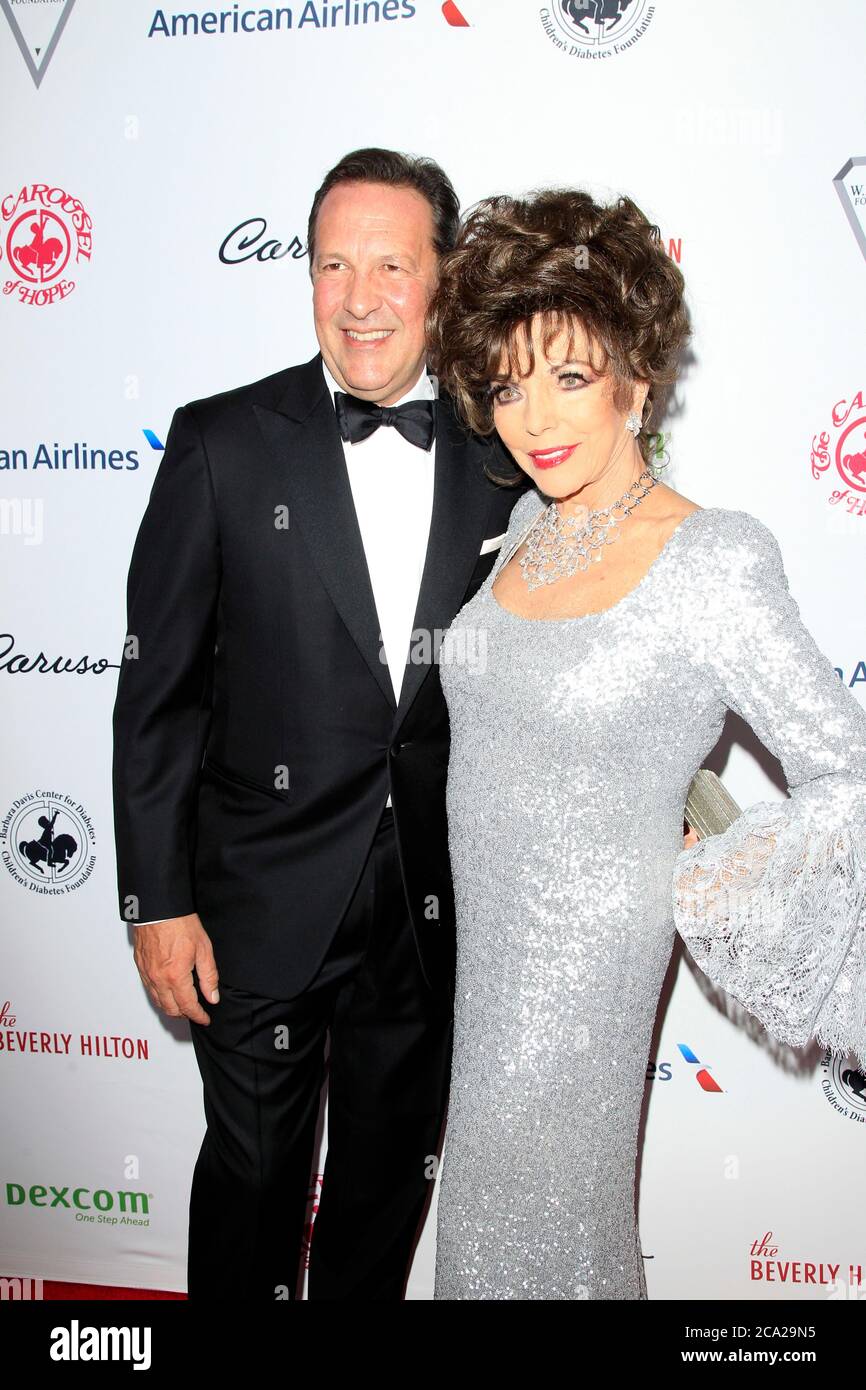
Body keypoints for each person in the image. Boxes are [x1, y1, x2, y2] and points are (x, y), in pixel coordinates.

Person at [424, 188, 866, 1300]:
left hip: (590, 960)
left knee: (547, 1218)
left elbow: (843, 766)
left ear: (636, 376)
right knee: (486, 1212)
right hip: (481, 953)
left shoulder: (708, 559)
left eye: (568, 375)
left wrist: (717, 877)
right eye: (507, 383)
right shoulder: (526, 528)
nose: (533, 418)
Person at [111, 148, 528, 1300]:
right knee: (250, 1187)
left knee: (382, 1190)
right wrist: (157, 898)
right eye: (332, 264)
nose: (359, 298)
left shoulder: (503, 459)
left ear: (443, 280)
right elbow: (157, 696)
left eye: (391, 265)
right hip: (253, 905)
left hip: (426, 910)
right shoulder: (221, 443)